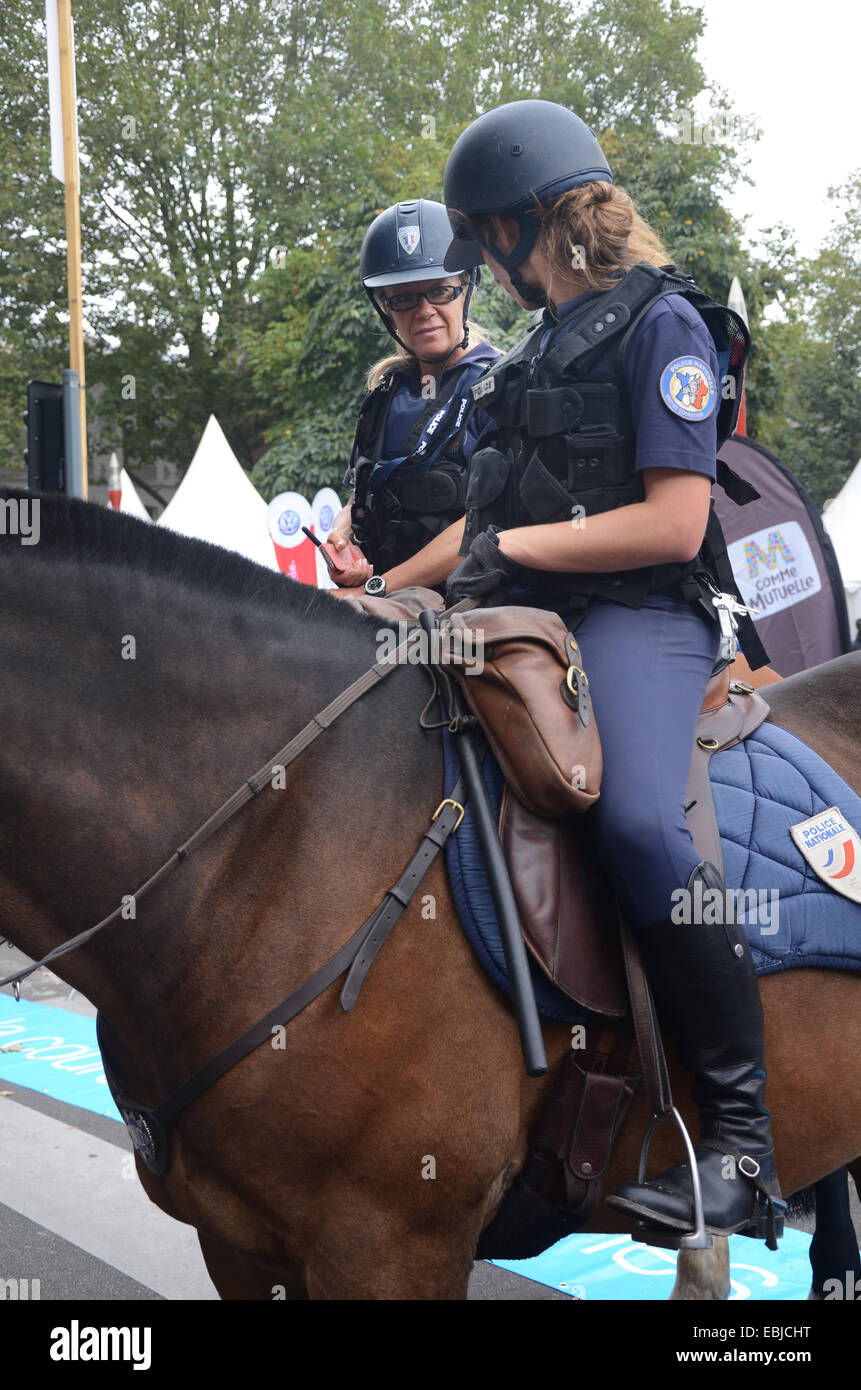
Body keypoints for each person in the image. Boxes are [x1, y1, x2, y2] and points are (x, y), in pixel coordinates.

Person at [413, 99, 783, 1244]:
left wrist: (508, 553)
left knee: (634, 823)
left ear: (536, 224)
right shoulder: (526, 356)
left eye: (486, 239)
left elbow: (674, 525)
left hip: (641, 617)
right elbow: (473, 527)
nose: (483, 265)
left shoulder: (667, 326)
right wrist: (377, 590)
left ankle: (741, 1146)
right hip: (527, 610)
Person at [326, 199, 499, 594]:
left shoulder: (499, 389)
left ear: (464, 288)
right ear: (386, 308)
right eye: (404, 298)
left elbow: (486, 524)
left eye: (439, 291)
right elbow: (366, 494)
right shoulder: (385, 393)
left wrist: (375, 589)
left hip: (473, 610)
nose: (424, 311)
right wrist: (344, 532)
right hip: (386, 603)